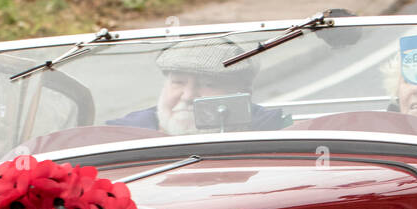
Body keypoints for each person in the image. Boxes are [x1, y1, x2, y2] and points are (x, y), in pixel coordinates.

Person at [109, 39, 288, 134]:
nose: (187, 96)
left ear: (243, 94)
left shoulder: (271, 132)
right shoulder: (124, 134)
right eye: (178, 82)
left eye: (208, 84)